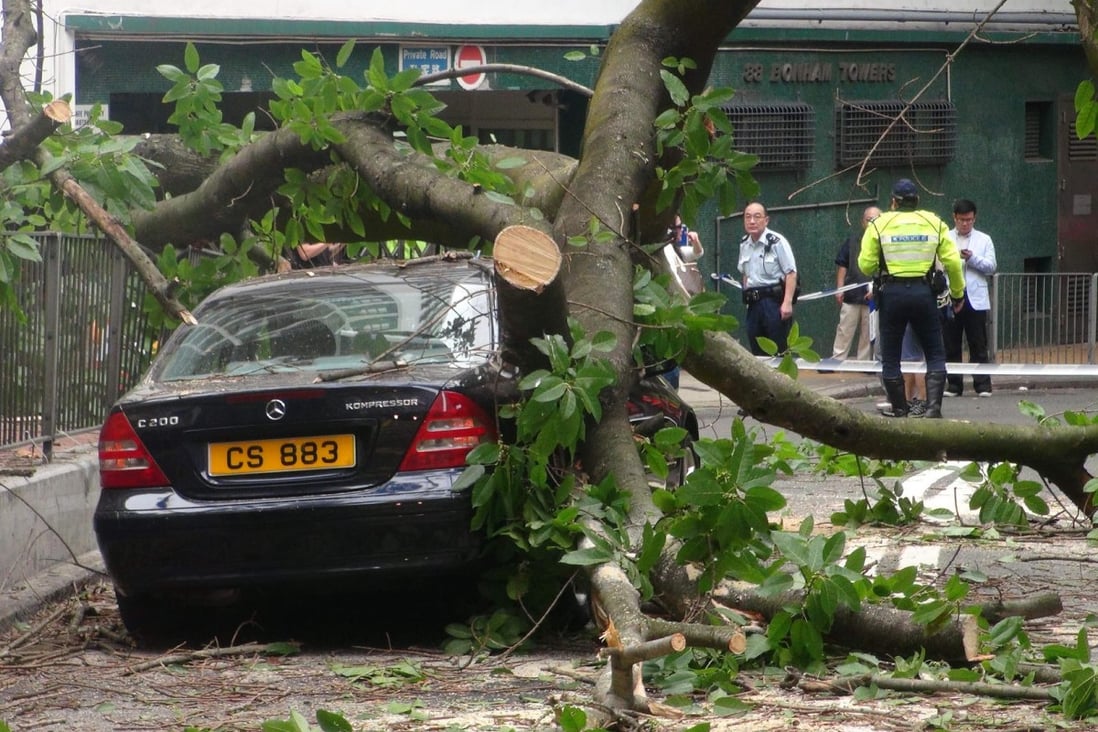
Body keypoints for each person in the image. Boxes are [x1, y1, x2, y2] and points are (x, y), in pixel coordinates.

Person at [858, 179, 964, 419]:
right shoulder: (934, 222)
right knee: (934, 353)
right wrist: (957, 294)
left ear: (893, 202)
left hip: (892, 294)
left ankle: (899, 408)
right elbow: (953, 262)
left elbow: (865, 265)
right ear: (917, 200)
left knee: (891, 356)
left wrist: (883, 266)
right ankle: (933, 408)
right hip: (924, 293)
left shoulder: (879, 224)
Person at [943, 199, 997, 398]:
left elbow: (991, 266)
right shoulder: (946, 238)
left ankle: (982, 385)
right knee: (951, 342)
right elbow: (938, 263)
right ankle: (954, 385)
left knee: (978, 343)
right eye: (961, 220)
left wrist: (972, 258)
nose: (965, 224)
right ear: (954, 218)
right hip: (951, 295)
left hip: (975, 298)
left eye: (969, 220)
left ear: (974, 218)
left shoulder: (984, 239)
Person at [737, 201, 798, 355]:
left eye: (757, 217)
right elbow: (745, 274)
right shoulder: (744, 243)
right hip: (753, 304)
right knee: (757, 351)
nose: (752, 221)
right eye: (748, 217)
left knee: (779, 350)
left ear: (766, 220)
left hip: (774, 302)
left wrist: (787, 303)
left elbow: (791, 273)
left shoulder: (777, 242)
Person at [832, 205, 881, 361]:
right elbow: (842, 265)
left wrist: (877, 289)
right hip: (851, 295)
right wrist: (840, 289)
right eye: (868, 220)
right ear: (862, 222)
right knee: (844, 329)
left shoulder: (884, 243)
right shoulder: (853, 241)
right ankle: (837, 359)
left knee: (869, 332)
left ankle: (864, 363)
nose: (871, 223)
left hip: (873, 296)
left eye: (875, 220)